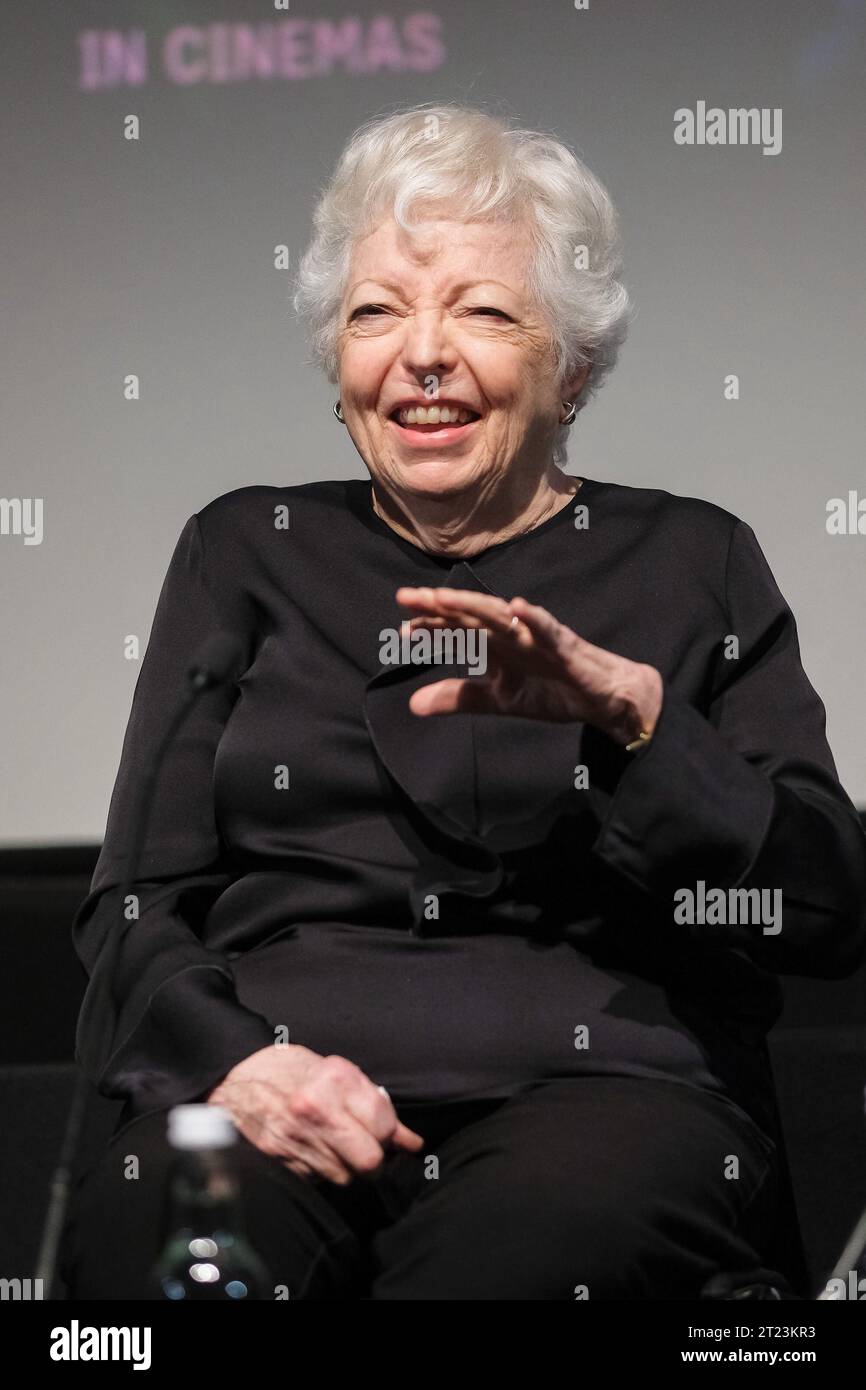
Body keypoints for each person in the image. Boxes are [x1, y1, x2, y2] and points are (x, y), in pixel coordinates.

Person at [61, 103, 866, 1300]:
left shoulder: (689, 559)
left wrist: (641, 726)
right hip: (282, 1085)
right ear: (339, 369)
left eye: (482, 311)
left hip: (607, 1102)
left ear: (574, 368)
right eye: (376, 312)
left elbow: (823, 908)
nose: (421, 352)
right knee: (160, 1259)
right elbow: (134, 904)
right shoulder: (243, 549)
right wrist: (237, 1064)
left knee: (510, 1265)